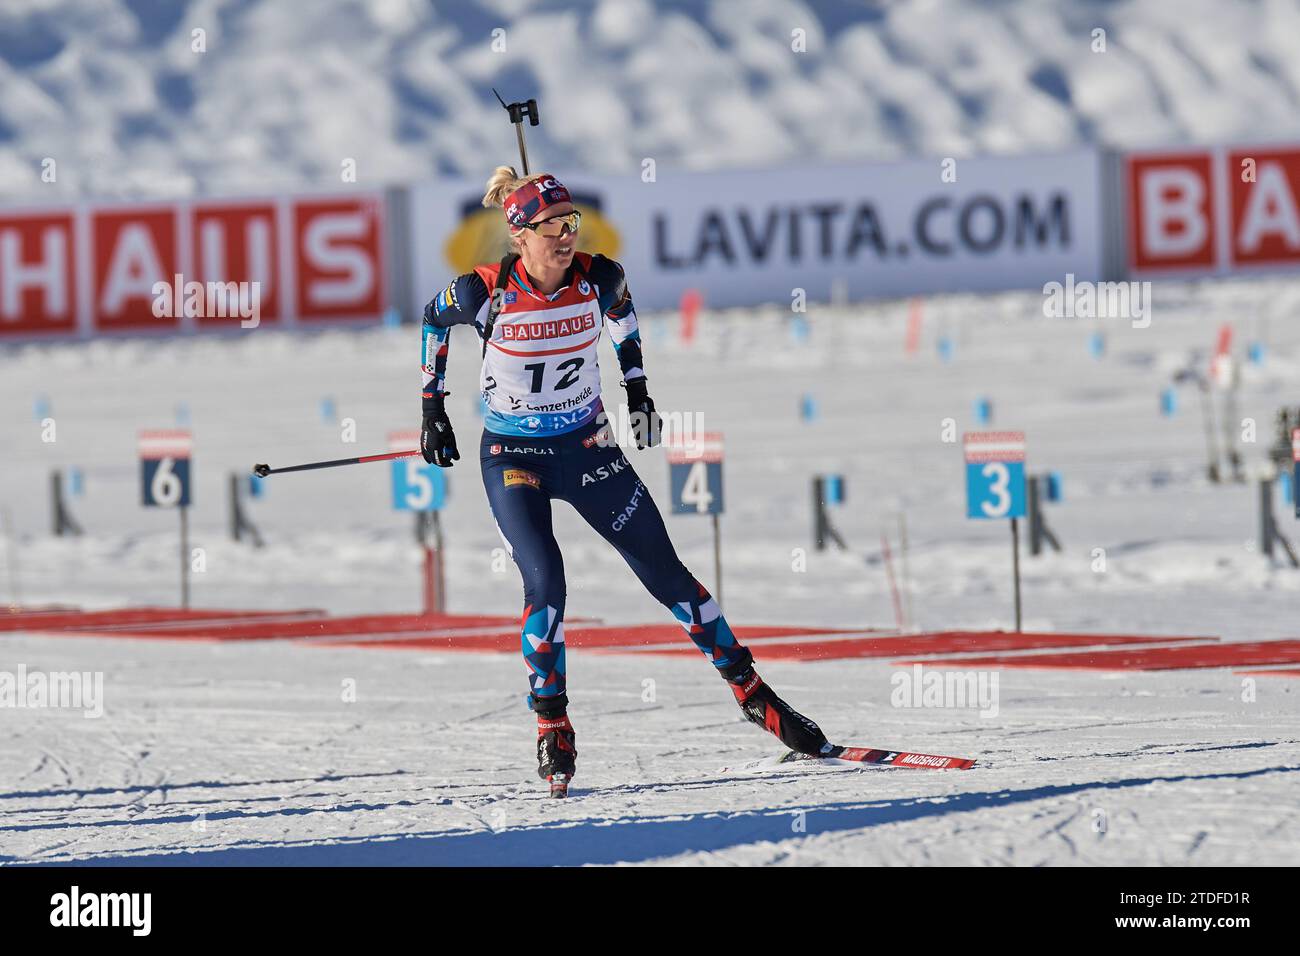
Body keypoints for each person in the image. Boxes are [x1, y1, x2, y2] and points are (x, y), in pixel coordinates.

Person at [420, 167, 829, 795]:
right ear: (520, 236)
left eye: (571, 224)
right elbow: (430, 320)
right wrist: (433, 408)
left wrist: (638, 388)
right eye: (552, 227)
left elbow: (624, 321)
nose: (565, 236)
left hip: (588, 447)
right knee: (546, 583)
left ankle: (753, 694)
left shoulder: (599, 276)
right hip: (513, 455)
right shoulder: (485, 291)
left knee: (666, 572)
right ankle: (551, 724)